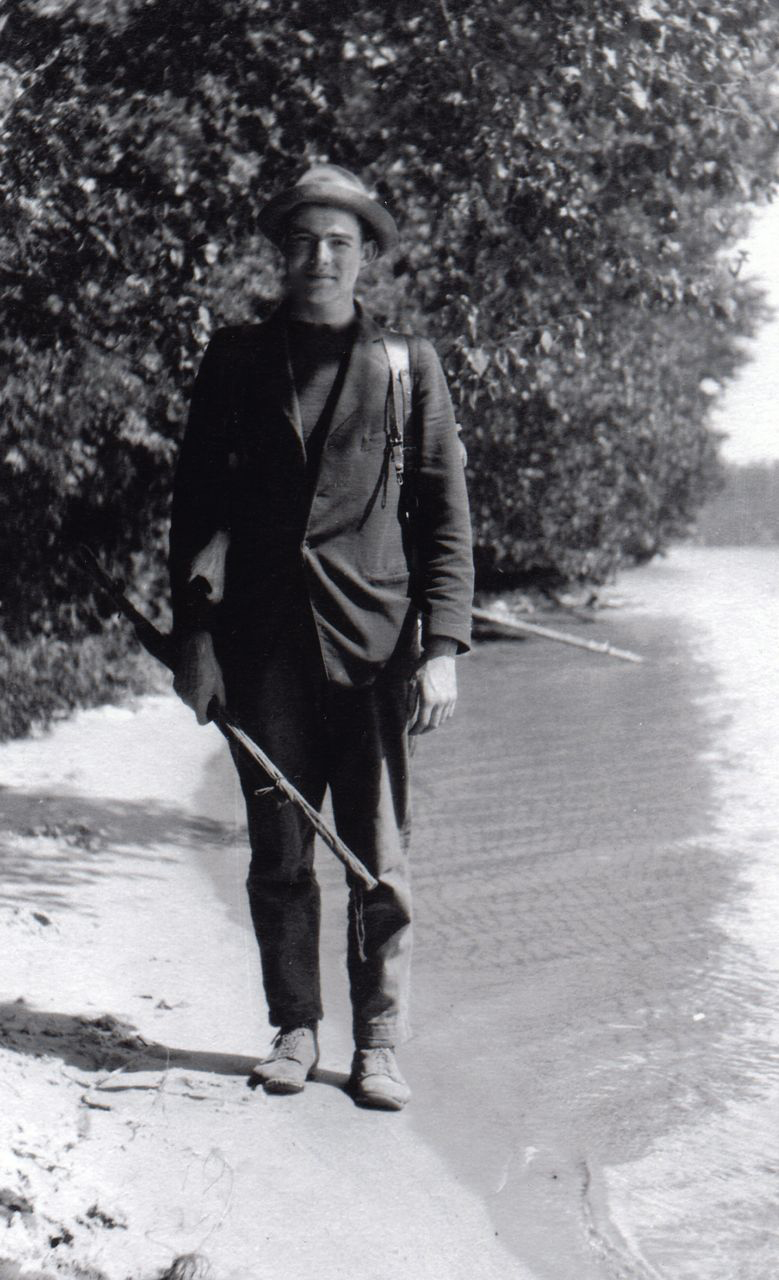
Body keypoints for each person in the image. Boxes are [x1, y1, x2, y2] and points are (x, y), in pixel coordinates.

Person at [168, 164, 473, 1110]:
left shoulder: (404, 365)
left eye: (340, 243)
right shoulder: (235, 359)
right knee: (280, 855)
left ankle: (378, 1044)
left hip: (376, 647)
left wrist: (442, 648)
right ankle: (294, 1029)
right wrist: (197, 640)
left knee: (378, 857)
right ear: (281, 254)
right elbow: (195, 510)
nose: (320, 259)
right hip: (261, 648)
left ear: (365, 258)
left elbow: (445, 515)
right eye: (303, 242)